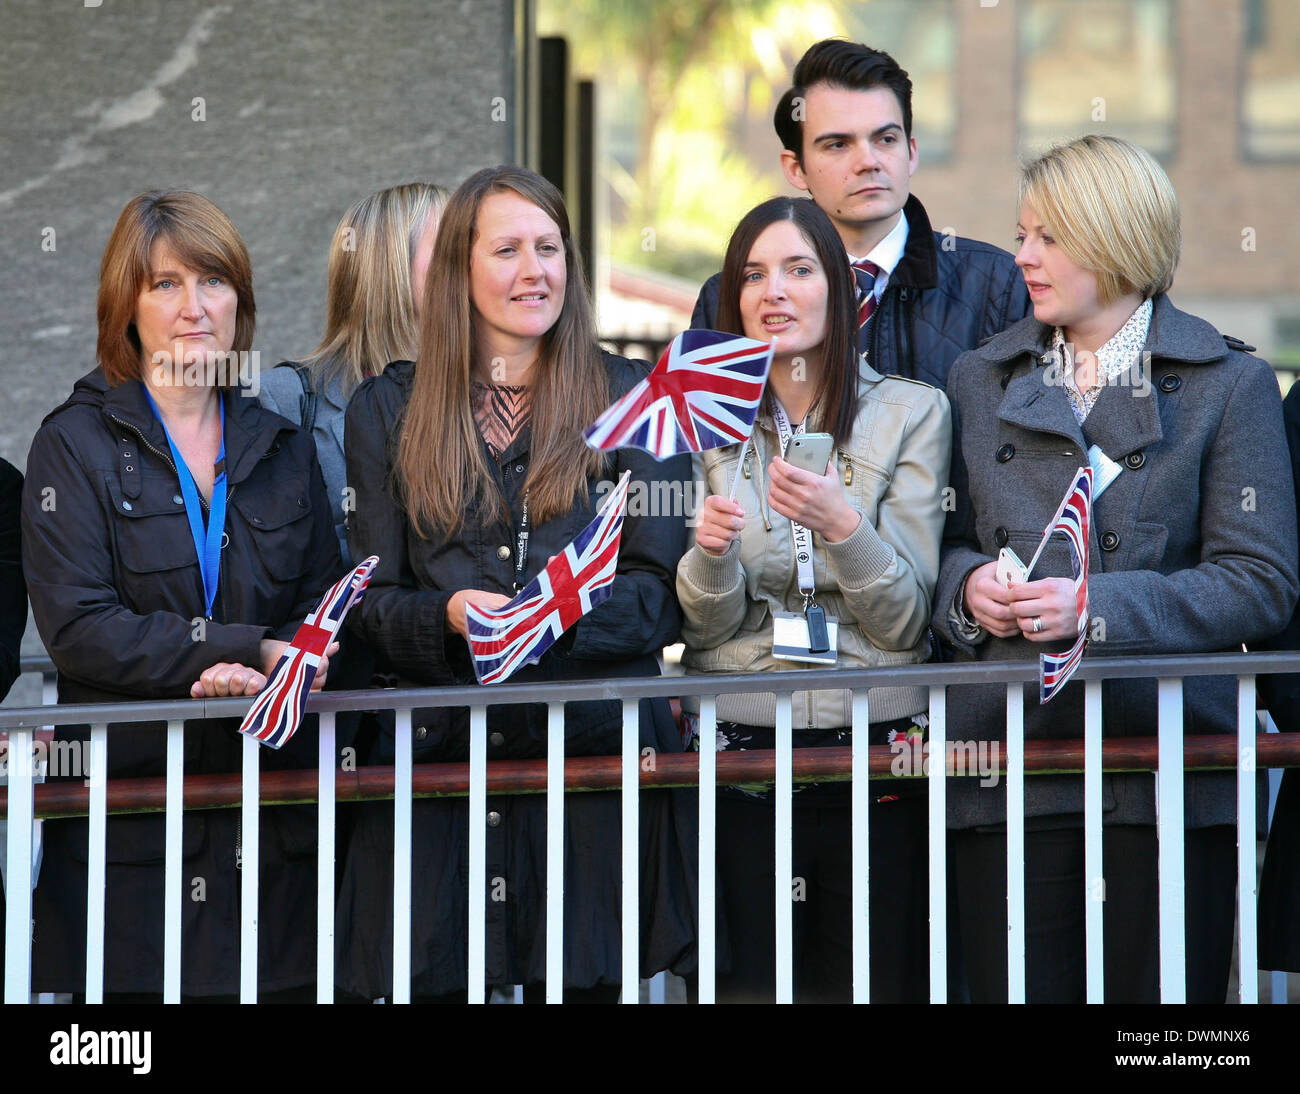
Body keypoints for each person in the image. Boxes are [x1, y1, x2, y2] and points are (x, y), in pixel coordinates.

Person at [932, 135, 1298, 1003]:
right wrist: (967, 589)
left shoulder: (1229, 382)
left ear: (1116, 237)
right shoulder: (979, 378)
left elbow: (1261, 579)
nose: (1021, 256)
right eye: (1022, 233)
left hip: (1169, 768)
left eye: (1048, 236)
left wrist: (1097, 609)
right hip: (1010, 761)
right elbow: (943, 542)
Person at [336, 165, 697, 1002]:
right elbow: (371, 601)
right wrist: (452, 617)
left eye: (549, 248)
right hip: (439, 772)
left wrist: (548, 621)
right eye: (506, 250)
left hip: (590, 771)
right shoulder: (385, 408)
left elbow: (658, 592)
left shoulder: (634, 395)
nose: (534, 270)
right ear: (458, 271)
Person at [20, 190, 342, 1000]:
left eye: (214, 282)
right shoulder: (74, 443)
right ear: (126, 305)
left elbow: (323, 599)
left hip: (274, 825)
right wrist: (236, 651)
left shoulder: (281, 444)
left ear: (242, 299)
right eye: (166, 285)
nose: (195, 308)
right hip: (131, 834)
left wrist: (296, 655)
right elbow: (79, 627)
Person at [677, 196, 951, 1002]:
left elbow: (904, 621)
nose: (775, 292)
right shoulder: (704, 422)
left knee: (874, 985)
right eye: (754, 275)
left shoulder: (912, 410)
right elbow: (705, 625)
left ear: (838, 287)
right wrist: (712, 556)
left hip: (881, 752)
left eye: (799, 269)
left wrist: (842, 525)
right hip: (741, 754)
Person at [692, 38, 1029, 388]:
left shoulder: (998, 285)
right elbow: (700, 435)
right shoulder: (731, 297)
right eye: (838, 144)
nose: (868, 161)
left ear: (911, 152)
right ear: (796, 168)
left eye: (886, 140)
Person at [258, 182, 449, 566]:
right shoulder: (285, 401)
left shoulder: (494, 394)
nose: (474, 262)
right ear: (389, 265)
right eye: (451, 247)